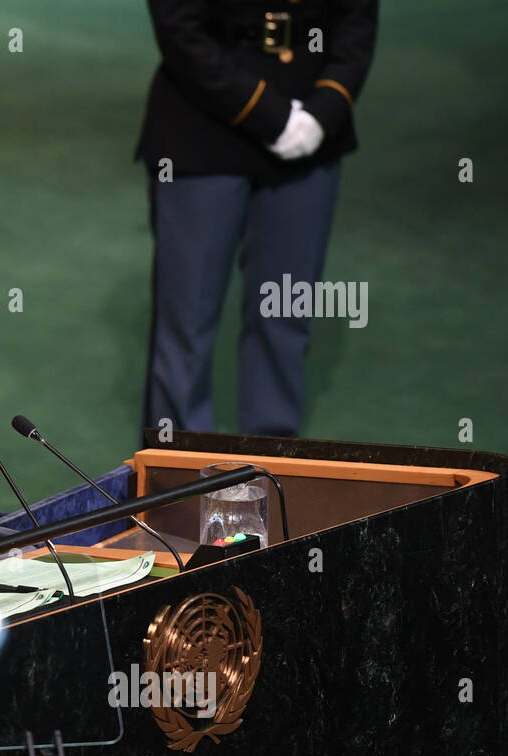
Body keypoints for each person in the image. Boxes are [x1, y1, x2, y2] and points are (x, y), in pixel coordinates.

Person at [136, 0, 378, 437]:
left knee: (284, 317)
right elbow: (178, 26)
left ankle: (271, 473)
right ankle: (174, 484)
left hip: (312, 132)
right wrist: (274, 116)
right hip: (201, 126)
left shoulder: (313, 123)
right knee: (186, 329)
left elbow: (357, 22)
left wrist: (323, 112)